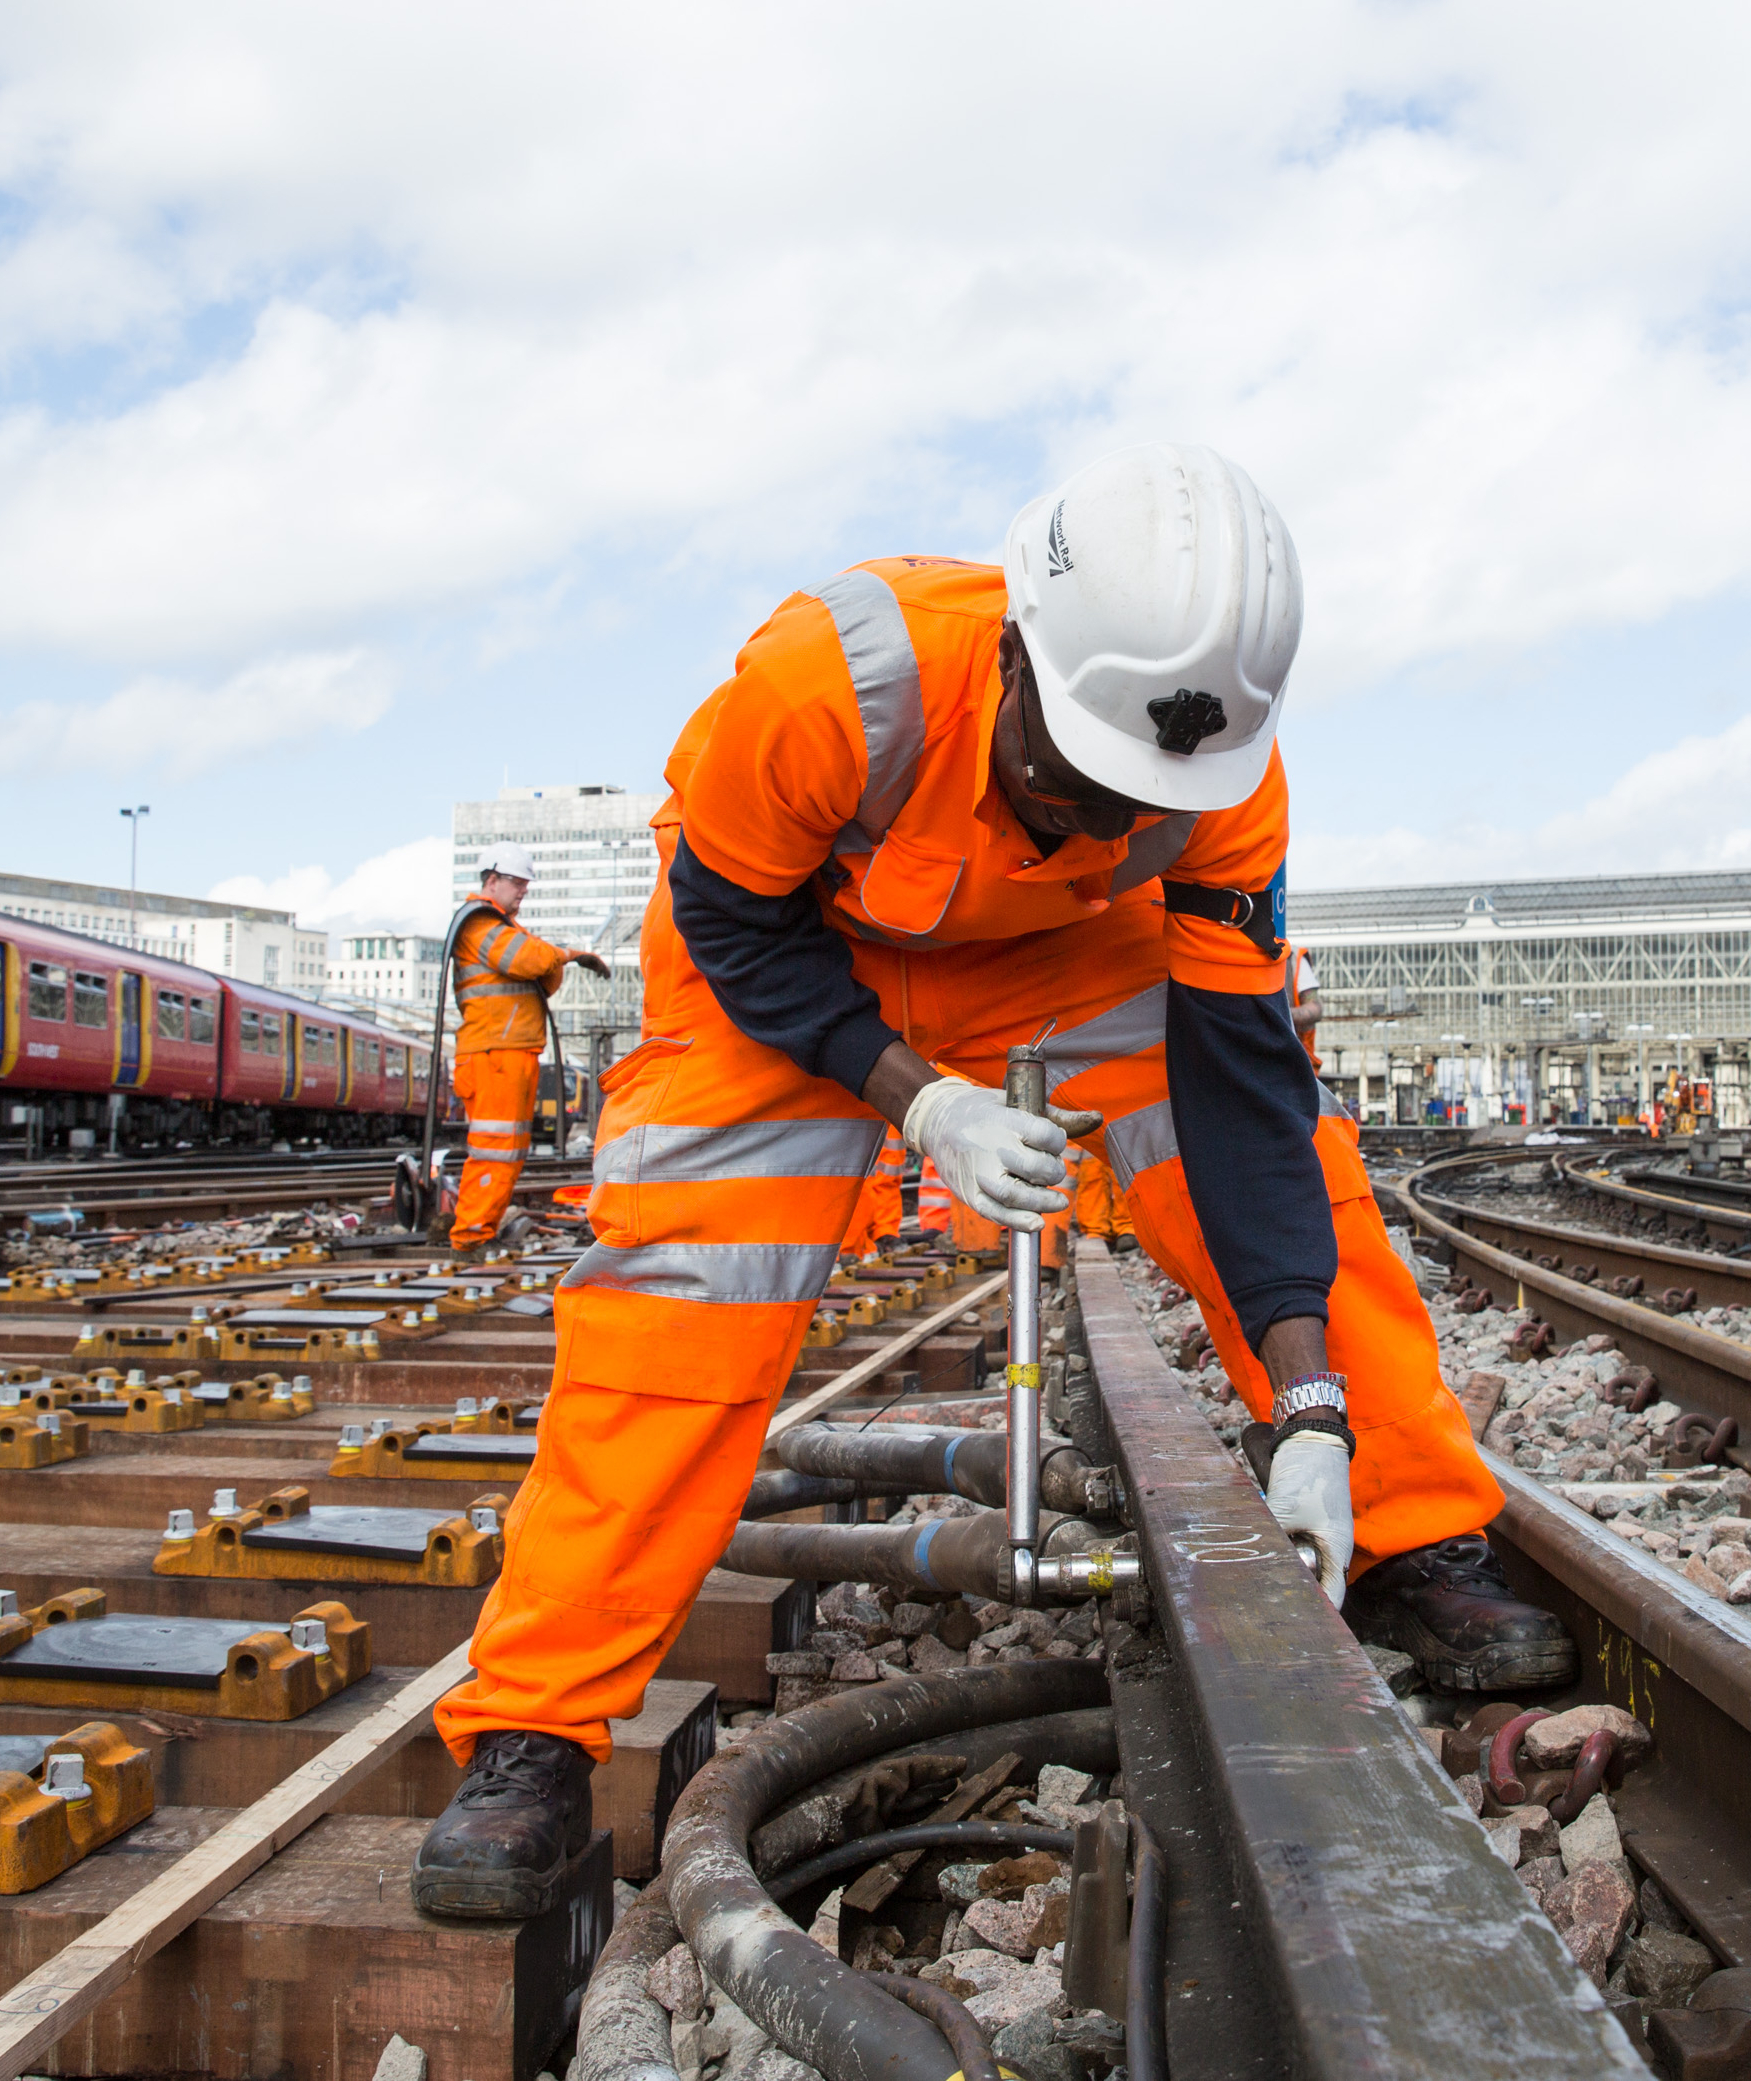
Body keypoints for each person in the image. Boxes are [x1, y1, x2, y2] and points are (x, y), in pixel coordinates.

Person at [411, 444, 1570, 1922]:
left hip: (1068, 965)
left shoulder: (1223, 783)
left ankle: (1406, 1523)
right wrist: (917, 1096)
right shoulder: (832, 681)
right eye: (1073, 775)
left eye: (1133, 800)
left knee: (1311, 1197)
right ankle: (532, 1726)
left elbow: (1242, 1096)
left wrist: (1310, 1407)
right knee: (680, 1296)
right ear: (1016, 652)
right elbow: (729, 920)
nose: (1097, 820)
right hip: (789, 964)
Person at [442, 846, 608, 1254]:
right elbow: (533, 961)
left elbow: (544, 978)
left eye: (525, 885)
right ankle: (470, 1236)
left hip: (509, 1050)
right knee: (495, 1149)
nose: (523, 892)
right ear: (491, 881)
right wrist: (569, 954)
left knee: (508, 1149)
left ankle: (480, 1228)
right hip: (494, 1051)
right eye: (517, 883)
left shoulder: (503, 927)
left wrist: (555, 961)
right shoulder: (481, 924)